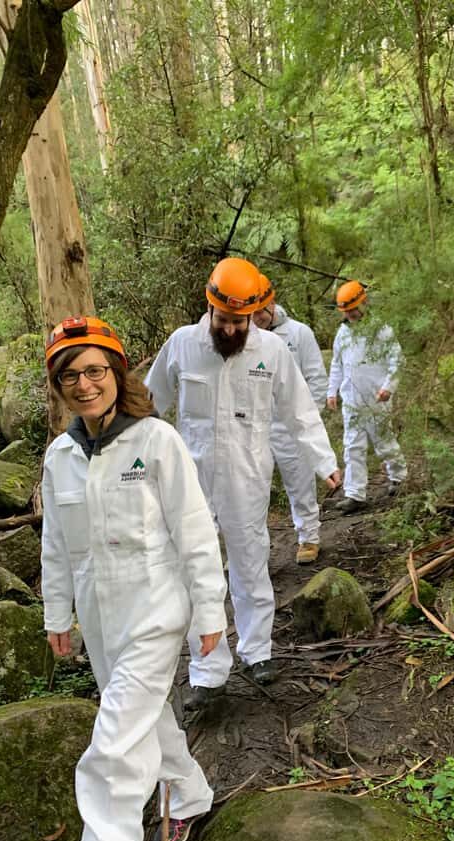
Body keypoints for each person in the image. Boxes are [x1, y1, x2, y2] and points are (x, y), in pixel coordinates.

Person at [41, 316, 227, 841]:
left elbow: (195, 532)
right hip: (100, 616)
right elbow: (56, 546)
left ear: (117, 373)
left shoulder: (156, 441)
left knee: (114, 749)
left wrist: (209, 611)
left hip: (154, 610)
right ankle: (190, 796)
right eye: (70, 375)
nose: (84, 384)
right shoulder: (59, 457)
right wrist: (56, 615)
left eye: (95, 370)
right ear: (60, 385)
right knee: (144, 716)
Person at [145, 257, 341, 706]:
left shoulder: (271, 351)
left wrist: (323, 461)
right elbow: (150, 404)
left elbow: (300, 411)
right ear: (209, 307)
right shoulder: (182, 345)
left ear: (254, 313)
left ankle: (258, 651)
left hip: (248, 476)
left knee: (251, 564)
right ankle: (206, 672)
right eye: (224, 320)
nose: (232, 330)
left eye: (241, 321)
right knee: (196, 570)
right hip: (190, 479)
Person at [253, 273, 328, 565]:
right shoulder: (244, 337)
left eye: (262, 310)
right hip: (256, 426)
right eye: (252, 312)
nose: (257, 317)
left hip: (291, 425)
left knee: (300, 483)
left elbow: (316, 379)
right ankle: (251, 549)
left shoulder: (299, 334)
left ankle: (309, 536)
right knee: (252, 489)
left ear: (272, 304)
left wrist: (308, 421)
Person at [327, 281, 407, 514]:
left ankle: (399, 478)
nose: (351, 314)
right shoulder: (342, 333)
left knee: (384, 441)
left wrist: (388, 387)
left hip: (377, 398)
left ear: (364, 302)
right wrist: (332, 392)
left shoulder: (381, 329)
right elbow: (337, 364)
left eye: (354, 308)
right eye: (346, 311)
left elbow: (397, 360)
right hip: (351, 400)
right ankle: (355, 494)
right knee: (352, 446)